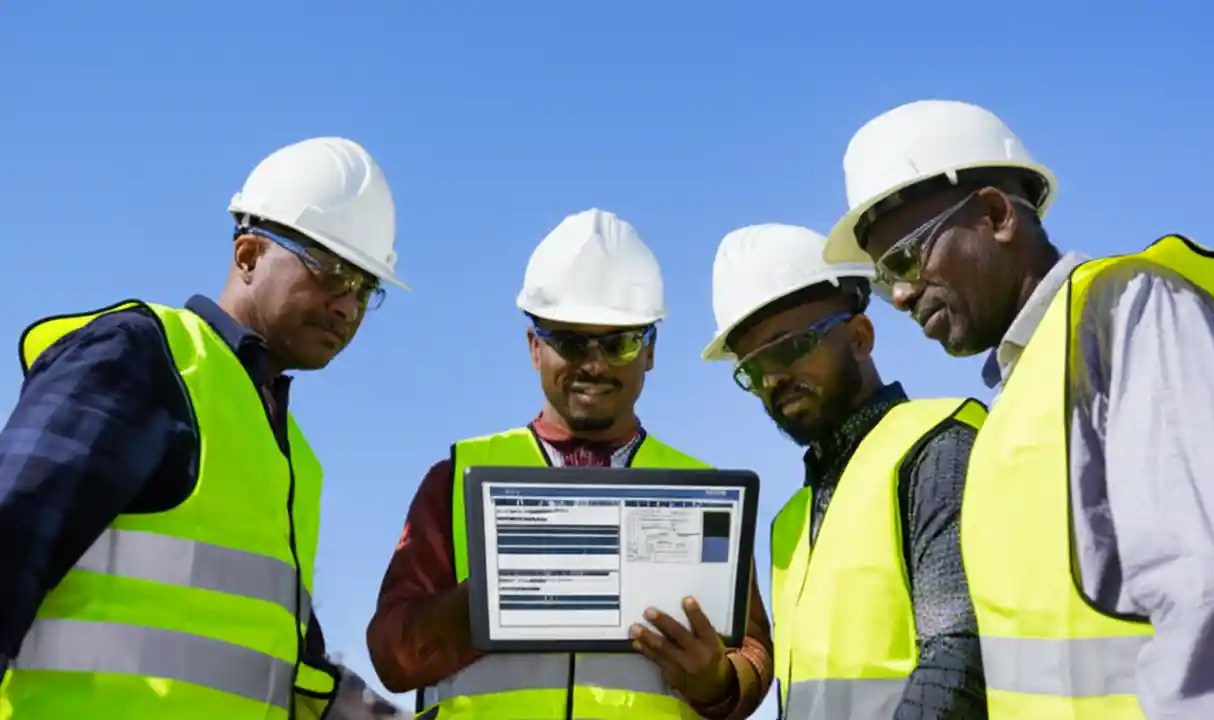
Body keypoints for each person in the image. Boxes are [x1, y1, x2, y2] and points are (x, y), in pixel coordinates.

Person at [824, 99, 1214, 719]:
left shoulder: (1129, 312)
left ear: (993, 215)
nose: (900, 295)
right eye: (883, 280)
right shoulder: (1025, 387)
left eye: (905, 258)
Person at [0, 136, 411, 720]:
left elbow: (289, 670)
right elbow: (12, 536)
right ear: (247, 256)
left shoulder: (289, 452)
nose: (347, 305)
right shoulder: (143, 357)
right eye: (329, 271)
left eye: (366, 287)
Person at [366, 208, 773, 720]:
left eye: (620, 342)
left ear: (650, 352)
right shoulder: (456, 479)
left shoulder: (705, 497)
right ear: (535, 347)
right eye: (570, 341)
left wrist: (717, 681)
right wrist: (488, 602)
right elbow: (392, 655)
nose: (595, 364)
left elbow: (753, 652)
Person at [702, 222, 988, 719]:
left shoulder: (936, 448)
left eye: (788, 347)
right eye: (752, 369)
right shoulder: (789, 523)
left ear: (859, 336)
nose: (772, 378)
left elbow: (958, 660)